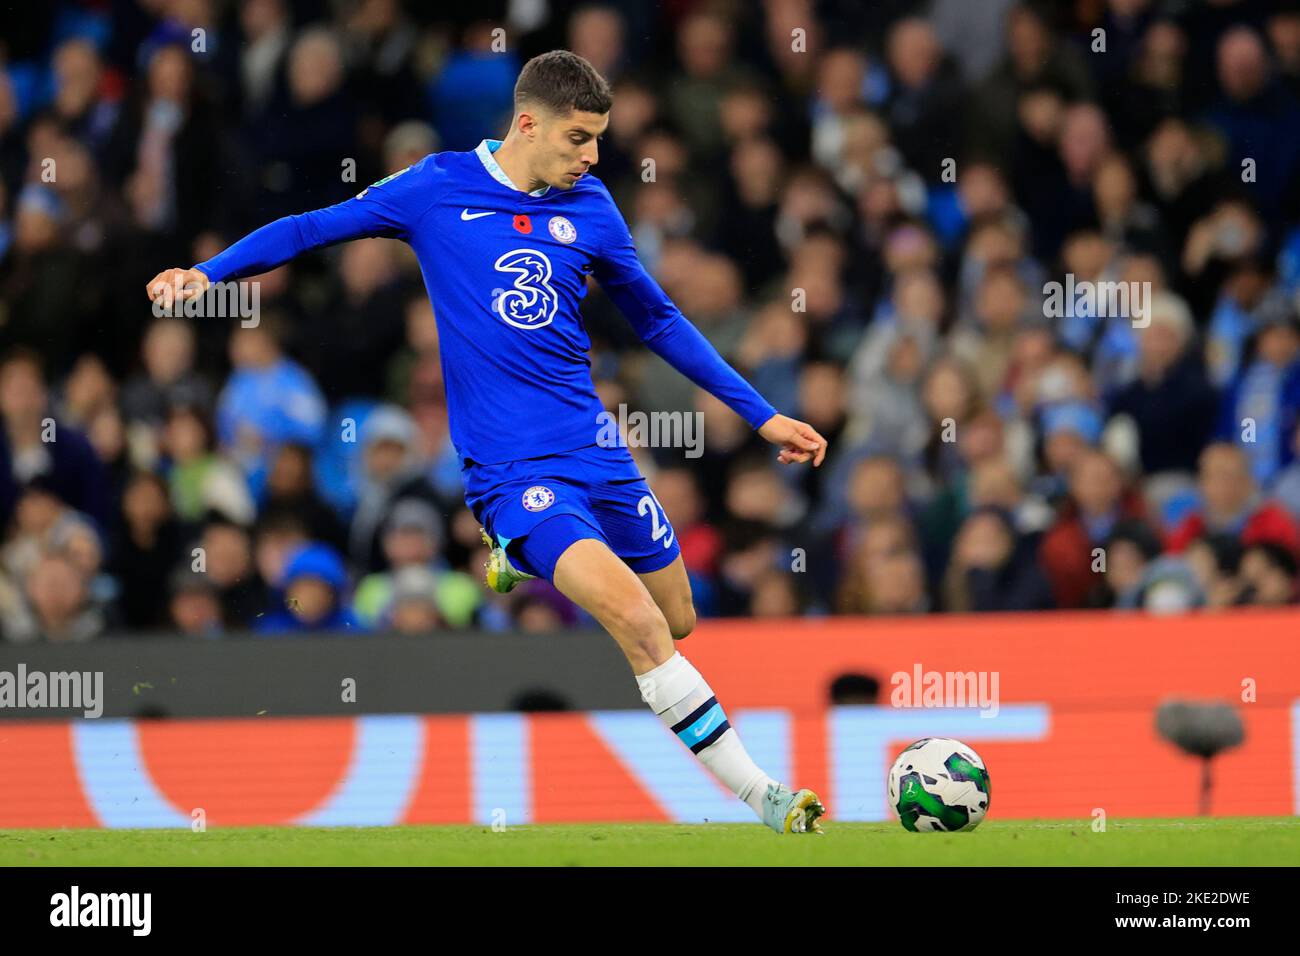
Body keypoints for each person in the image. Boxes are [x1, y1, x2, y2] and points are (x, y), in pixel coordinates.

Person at [146, 51, 828, 834]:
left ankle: (520, 560)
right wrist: (209, 273)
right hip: (513, 472)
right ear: (528, 123)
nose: (593, 156)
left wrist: (761, 415)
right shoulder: (435, 188)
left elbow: (658, 319)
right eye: (579, 138)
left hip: (598, 452)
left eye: (599, 139)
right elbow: (310, 227)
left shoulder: (592, 205)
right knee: (640, 628)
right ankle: (766, 797)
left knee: (676, 618)